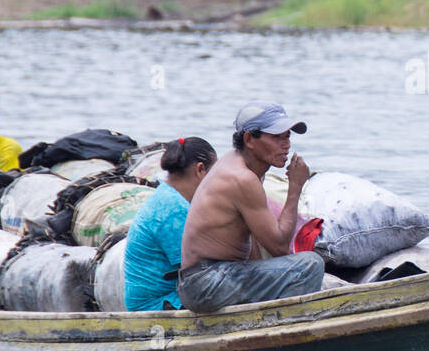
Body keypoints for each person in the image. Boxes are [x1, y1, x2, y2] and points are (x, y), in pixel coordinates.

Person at [178, 102, 324, 312]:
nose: (286, 145)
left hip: (209, 279)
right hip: (205, 283)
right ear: (249, 139)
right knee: (310, 265)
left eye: (287, 136)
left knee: (297, 266)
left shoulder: (244, 166)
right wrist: (295, 188)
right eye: (276, 137)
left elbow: (254, 237)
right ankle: (284, 331)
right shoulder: (242, 178)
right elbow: (279, 247)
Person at [124, 137, 217, 311]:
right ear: (201, 170)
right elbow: (200, 266)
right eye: (215, 173)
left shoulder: (170, 195)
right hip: (157, 303)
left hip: (170, 293)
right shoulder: (173, 209)